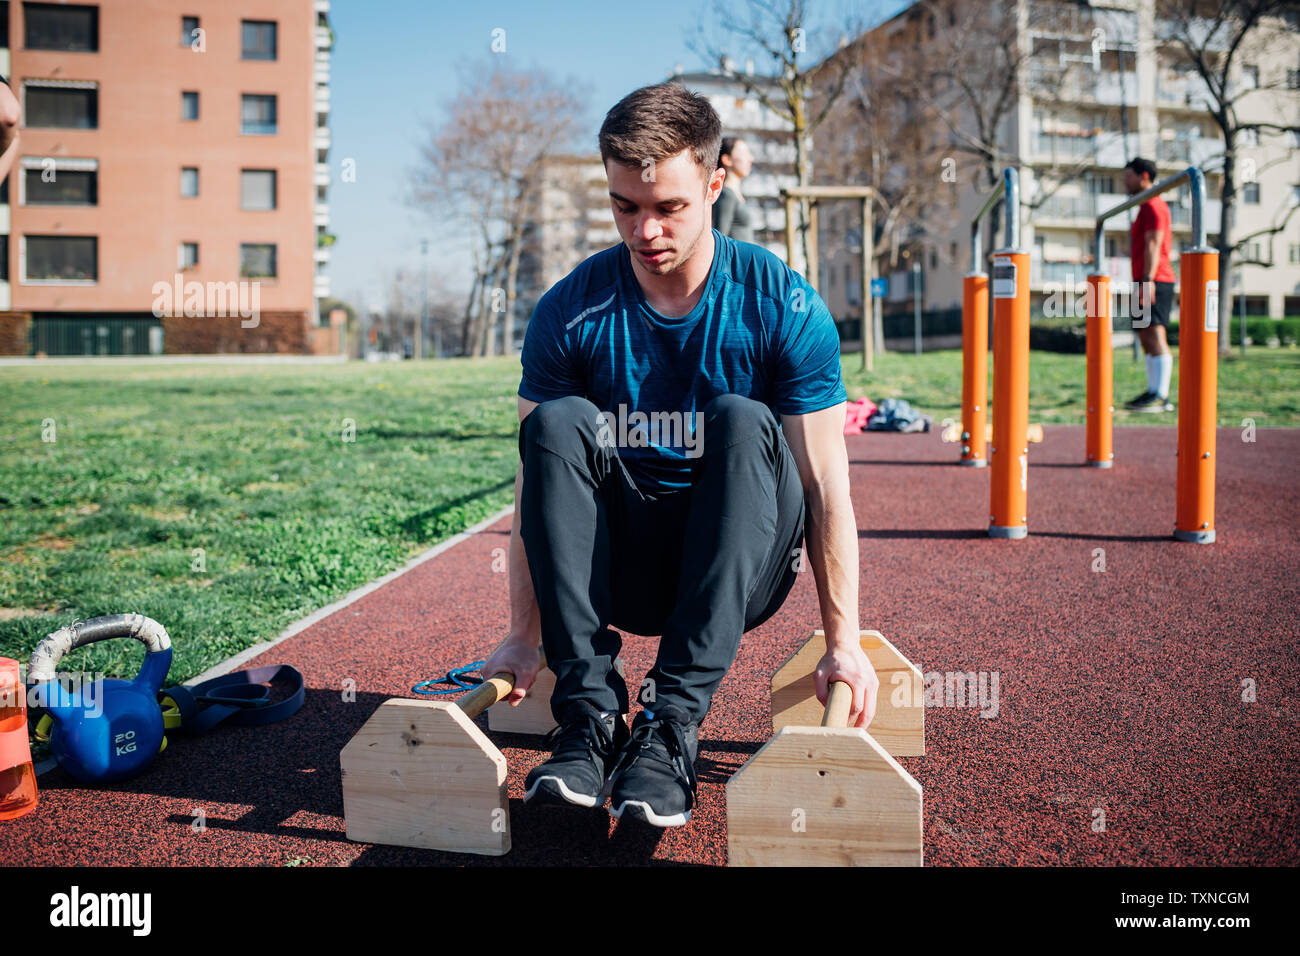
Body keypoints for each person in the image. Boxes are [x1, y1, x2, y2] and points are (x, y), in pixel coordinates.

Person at [478, 83, 876, 828]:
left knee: (739, 416)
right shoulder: (570, 310)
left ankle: (671, 727)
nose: (645, 229)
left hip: (740, 568)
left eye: (669, 207)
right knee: (557, 424)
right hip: (619, 570)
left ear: (716, 183)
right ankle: (590, 718)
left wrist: (842, 642)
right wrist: (521, 637)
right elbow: (535, 489)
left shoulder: (781, 305)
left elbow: (825, 488)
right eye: (625, 206)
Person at [1122, 157, 1175, 413]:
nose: (1125, 181)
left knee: (1155, 333)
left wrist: (1147, 280)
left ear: (1144, 176)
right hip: (1142, 279)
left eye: (1129, 176)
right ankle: (1152, 390)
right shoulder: (1144, 207)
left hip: (1155, 279)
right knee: (1144, 334)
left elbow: (1154, 243)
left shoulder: (1154, 205)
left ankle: (1162, 396)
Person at [711, 136, 755, 242]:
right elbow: (719, 239)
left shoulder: (733, 194)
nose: (751, 159)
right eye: (744, 153)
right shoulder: (726, 195)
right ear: (727, 159)